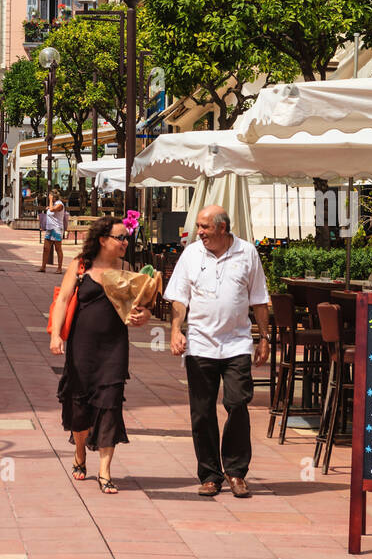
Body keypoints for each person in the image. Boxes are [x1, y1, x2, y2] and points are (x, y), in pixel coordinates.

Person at [165, 204, 271, 499]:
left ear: (222, 228)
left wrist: (264, 338)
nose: (199, 232)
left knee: (237, 403)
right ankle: (210, 475)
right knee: (202, 412)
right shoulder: (192, 253)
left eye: (204, 227)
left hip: (236, 343)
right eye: (199, 226)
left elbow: (259, 299)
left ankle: (236, 471)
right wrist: (176, 331)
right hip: (200, 342)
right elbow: (178, 297)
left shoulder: (247, 252)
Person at [51, 217, 152, 494]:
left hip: (115, 346)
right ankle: (80, 452)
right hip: (81, 346)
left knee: (110, 404)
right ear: (102, 239)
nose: (125, 242)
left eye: (126, 237)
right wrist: (55, 335)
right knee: (79, 405)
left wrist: (144, 315)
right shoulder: (81, 265)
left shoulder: (128, 269)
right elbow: (62, 300)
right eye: (120, 237)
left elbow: (143, 306)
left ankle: (105, 471)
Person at [39, 187, 65, 274]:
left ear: (54, 197)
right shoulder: (53, 204)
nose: (49, 197)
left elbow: (52, 210)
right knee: (46, 248)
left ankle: (59, 268)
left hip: (57, 229)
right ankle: (43, 267)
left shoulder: (60, 204)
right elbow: (50, 210)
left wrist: (50, 201)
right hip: (49, 228)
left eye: (50, 196)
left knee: (58, 249)